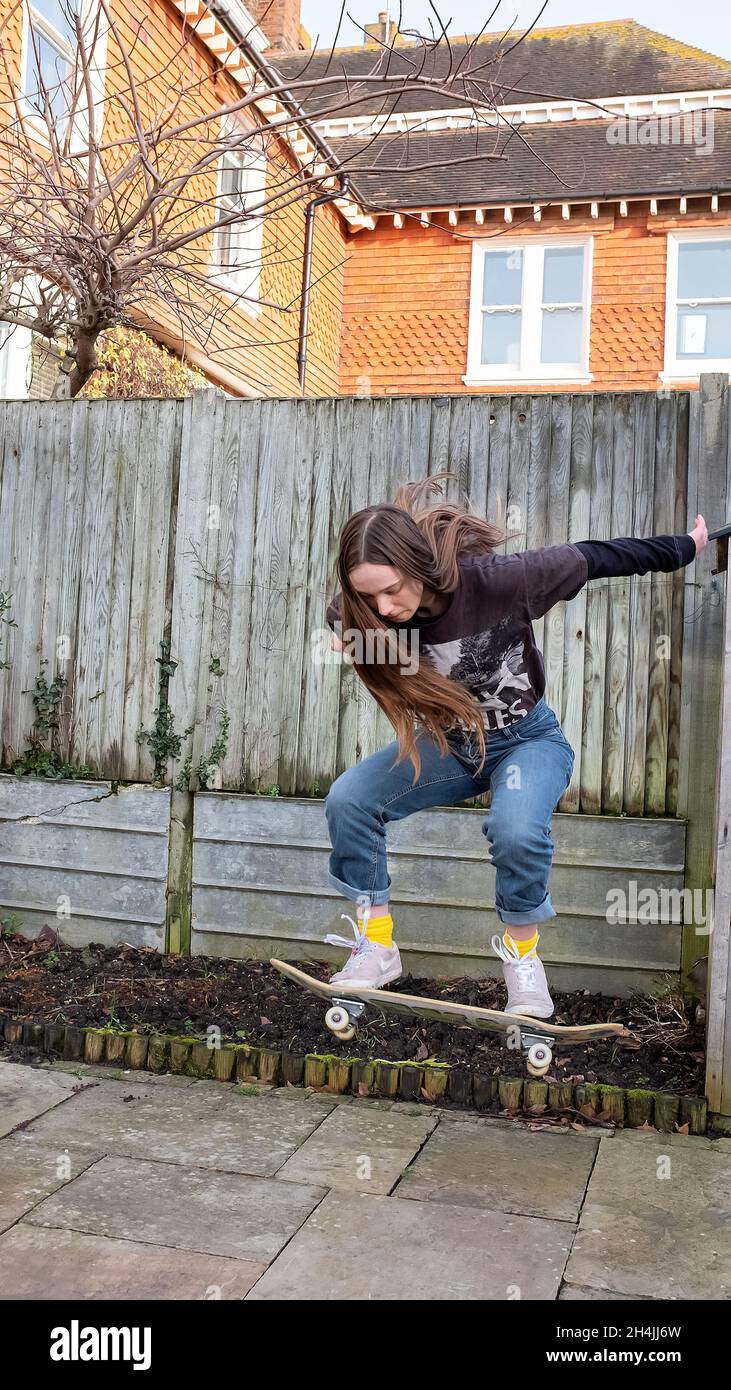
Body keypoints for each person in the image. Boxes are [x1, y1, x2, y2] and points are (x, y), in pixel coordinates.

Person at [323, 472, 708, 1019]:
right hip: (452, 748)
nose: (383, 607)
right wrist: (341, 627)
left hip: (528, 741)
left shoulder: (502, 581)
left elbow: (594, 557)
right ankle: (376, 944)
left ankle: (523, 960)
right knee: (350, 800)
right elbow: (339, 613)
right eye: (369, 596)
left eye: (392, 589)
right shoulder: (365, 608)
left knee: (516, 830)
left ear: (419, 566)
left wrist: (682, 549)